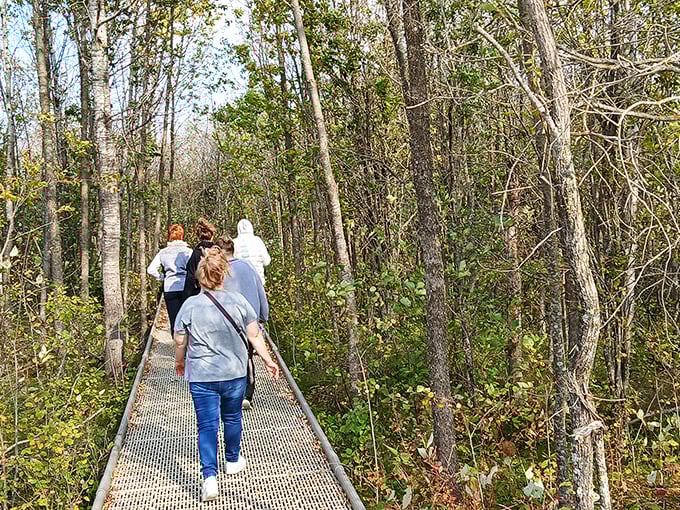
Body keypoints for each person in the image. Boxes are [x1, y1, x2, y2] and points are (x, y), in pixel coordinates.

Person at [174, 247, 280, 502]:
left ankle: (209, 479)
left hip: (202, 375)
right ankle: (232, 460)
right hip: (234, 373)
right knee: (232, 418)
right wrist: (268, 360)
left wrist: (180, 362)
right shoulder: (239, 302)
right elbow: (255, 335)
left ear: (200, 278)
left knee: (207, 426)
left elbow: (179, 339)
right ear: (223, 275)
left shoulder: (189, 305)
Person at [215, 235, 269, 410]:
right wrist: (263, 315)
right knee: (246, 355)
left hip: (224, 322)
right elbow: (260, 289)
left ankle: (230, 393)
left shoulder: (217, 269)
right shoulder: (247, 266)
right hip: (249, 320)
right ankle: (247, 394)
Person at [146, 224, 193, 336]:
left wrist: (163, 277)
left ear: (170, 236)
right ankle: (188, 348)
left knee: (174, 320)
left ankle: (177, 348)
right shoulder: (188, 251)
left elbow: (151, 269)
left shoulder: (163, 252)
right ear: (182, 236)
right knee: (188, 319)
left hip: (170, 288)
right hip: (186, 287)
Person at [183, 217, 217, 301]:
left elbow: (190, 278)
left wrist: (187, 298)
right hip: (218, 294)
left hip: (200, 294)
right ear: (212, 235)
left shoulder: (196, 253)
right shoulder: (218, 252)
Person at [233, 219, 271, 285]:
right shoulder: (257, 241)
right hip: (258, 280)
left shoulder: (234, 242)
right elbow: (267, 261)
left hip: (241, 282)